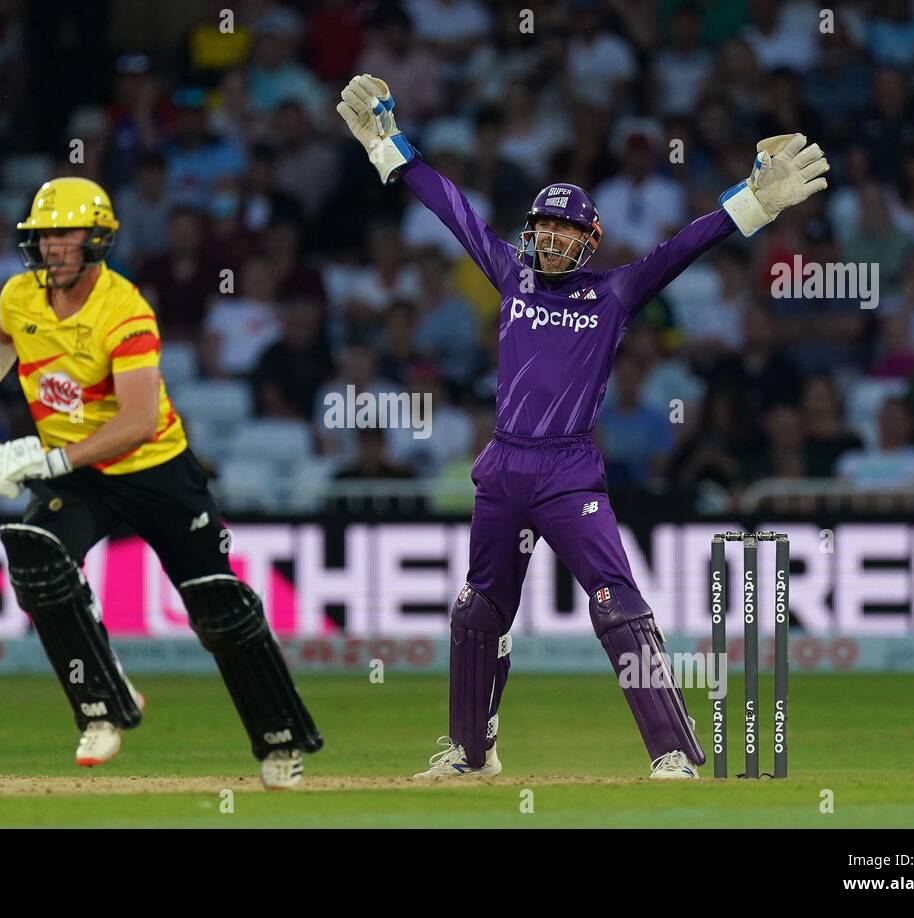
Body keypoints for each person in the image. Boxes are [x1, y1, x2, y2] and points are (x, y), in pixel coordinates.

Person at [336, 74, 828, 780]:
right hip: (504, 467)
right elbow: (454, 210)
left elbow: (686, 243)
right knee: (479, 612)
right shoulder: (512, 277)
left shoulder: (615, 292)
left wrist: (753, 202)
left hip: (568, 472)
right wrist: (392, 151)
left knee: (615, 606)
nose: (550, 238)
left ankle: (673, 753)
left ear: (589, 239)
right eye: (543, 227)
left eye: (565, 230)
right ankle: (471, 754)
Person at [0, 177, 321, 789]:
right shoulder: (22, 295)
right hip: (83, 477)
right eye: (44, 234)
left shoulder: (125, 309)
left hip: (155, 471)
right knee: (36, 555)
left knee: (217, 604)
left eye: (65, 234)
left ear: (97, 239)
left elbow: (137, 421)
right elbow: (2, 338)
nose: (52, 247)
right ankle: (102, 704)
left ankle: (279, 739)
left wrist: (50, 462)